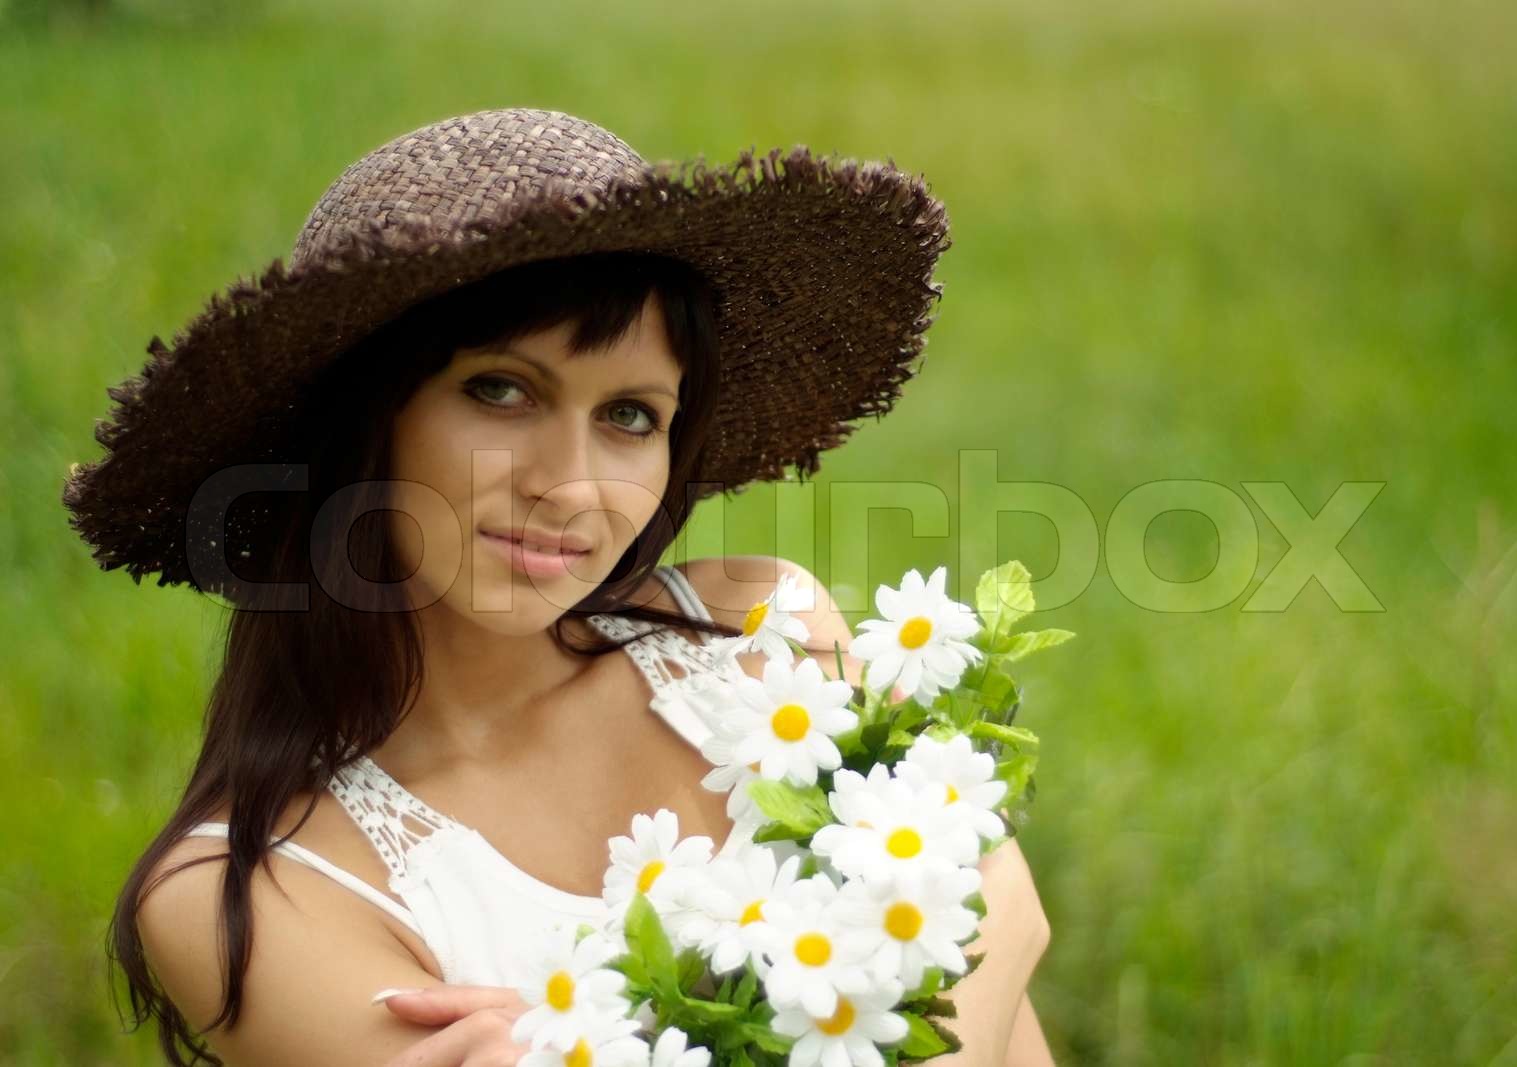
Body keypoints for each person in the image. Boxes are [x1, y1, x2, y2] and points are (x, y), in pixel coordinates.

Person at [62, 108, 1053, 1066]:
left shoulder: (759, 635)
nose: (569, 483)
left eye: (629, 414)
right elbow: (973, 949)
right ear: (363, 416)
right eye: (500, 389)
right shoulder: (251, 895)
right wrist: (992, 915)